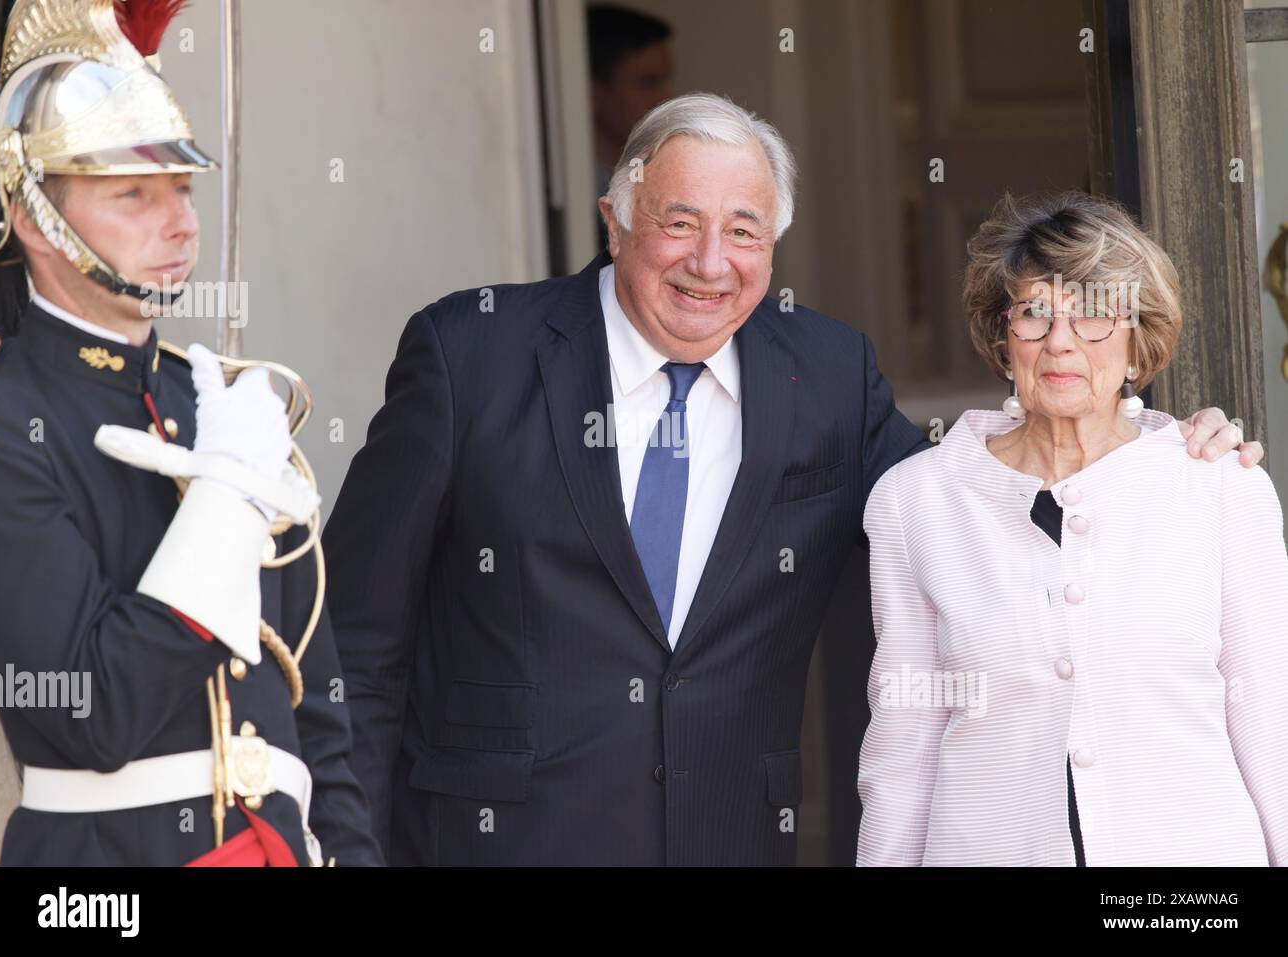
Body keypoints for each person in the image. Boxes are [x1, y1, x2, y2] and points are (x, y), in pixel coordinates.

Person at [324, 94, 1259, 866]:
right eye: (678, 222)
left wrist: (1157, 443)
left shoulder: (826, 377)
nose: (710, 262)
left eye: (745, 230)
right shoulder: (468, 353)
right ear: (616, 218)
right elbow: (351, 646)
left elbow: (982, 493)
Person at [0, 0, 379, 866]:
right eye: (132, 192)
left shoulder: (225, 405)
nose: (179, 222)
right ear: (32, 217)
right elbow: (92, 713)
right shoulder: (4, 419)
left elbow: (317, 720)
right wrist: (226, 504)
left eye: (182, 187)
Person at [856, 190, 1288, 866]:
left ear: (1138, 341)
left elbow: (1272, 723)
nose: (1060, 340)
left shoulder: (1221, 487)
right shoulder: (917, 503)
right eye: (1034, 313)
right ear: (1003, 337)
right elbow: (902, 749)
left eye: (1092, 313)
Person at [588, 4, 674, 248]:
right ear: (594, 92)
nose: (666, 98)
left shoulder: (663, 180)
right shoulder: (559, 199)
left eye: (666, 81)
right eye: (648, 82)